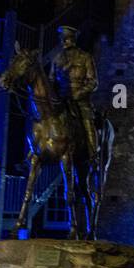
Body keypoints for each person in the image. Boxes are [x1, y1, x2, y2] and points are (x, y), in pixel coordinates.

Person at [48, 25, 98, 165]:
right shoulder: (57, 58)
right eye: (62, 39)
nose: (63, 42)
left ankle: (93, 154)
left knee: (87, 122)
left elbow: (93, 82)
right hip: (61, 99)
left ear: (72, 40)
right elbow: (51, 80)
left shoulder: (85, 57)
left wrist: (79, 93)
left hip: (80, 100)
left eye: (66, 39)